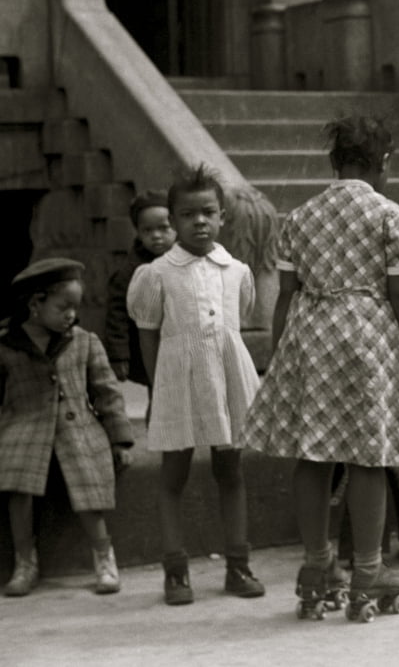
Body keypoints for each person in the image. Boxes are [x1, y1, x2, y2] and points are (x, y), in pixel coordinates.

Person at [240, 116, 399, 619]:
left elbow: (284, 296)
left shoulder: (300, 217)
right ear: (384, 163)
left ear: (335, 162)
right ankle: (368, 569)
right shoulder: (393, 216)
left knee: (314, 451)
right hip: (368, 340)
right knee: (367, 456)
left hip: (310, 335)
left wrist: (282, 354)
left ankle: (316, 564)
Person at [127, 165, 264, 605]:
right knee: (173, 474)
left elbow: (235, 324)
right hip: (177, 383)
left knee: (231, 470)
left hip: (227, 379)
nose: (199, 221)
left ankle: (238, 565)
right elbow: (148, 332)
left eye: (208, 212)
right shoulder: (156, 274)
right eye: (187, 215)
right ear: (173, 219)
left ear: (222, 216)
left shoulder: (237, 271)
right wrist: (157, 389)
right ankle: (175, 571)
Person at [1, 258, 133, 597]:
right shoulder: (6, 345)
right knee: (18, 487)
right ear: (35, 304)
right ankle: (25, 561)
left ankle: (104, 556)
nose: (71, 314)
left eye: (76, 307)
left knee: (87, 483)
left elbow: (106, 392)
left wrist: (120, 440)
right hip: (22, 425)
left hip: (77, 427)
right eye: (64, 307)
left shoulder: (84, 341)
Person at [104, 189, 176, 389]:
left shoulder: (186, 260)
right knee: (159, 393)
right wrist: (119, 356)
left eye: (164, 228)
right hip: (148, 346)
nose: (156, 236)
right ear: (138, 231)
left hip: (181, 341)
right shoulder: (130, 270)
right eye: (147, 230)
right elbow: (116, 314)